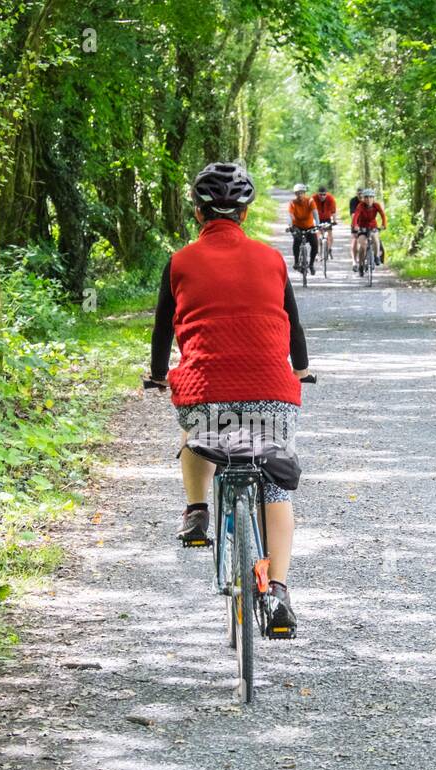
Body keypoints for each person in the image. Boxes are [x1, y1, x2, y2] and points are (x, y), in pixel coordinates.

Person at [148, 162, 311, 637]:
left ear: (198, 213)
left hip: (205, 396)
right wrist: (300, 370)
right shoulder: (271, 259)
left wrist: (158, 376)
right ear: (245, 213)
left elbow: (162, 331)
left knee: (194, 429)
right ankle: (277, 591)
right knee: (275, 487)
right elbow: (293, 327)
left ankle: (197, 510)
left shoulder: (180, 262)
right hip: (273, 395)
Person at [351, 188, 387, 274]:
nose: (368, 199)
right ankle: (361, 264)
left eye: (371, 197)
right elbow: (355, 216)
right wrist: (355, 225)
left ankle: (376, 257)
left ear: (373, 198)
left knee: (375, 238)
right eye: (366, 197)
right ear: (363, 198)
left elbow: (383, 215)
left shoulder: (376, 205)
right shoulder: (360, 206)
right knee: (363, 245)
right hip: (362, 227)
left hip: (373, 226)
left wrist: (383, 224)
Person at [286, 183, 320, 271]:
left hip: (310, 227)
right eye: (297, 193)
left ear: (304, 193)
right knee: (296, 242)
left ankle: (311, 264)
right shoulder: (292, 203)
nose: (300, 195)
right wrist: (290, 226)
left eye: (301, 193)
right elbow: (289, 215)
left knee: (315, 244)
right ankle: (296, 262)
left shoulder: (310, 201)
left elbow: (315, 213)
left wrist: (317, 225)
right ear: (295, 194)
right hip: (297, 227)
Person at [312, 186, 337, 259]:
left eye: (324, 194)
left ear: (326, 194)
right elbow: (310, 210)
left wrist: (334, 220)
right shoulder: (313, 198)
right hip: (317, 218)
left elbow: (333, 211)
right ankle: (317, 253)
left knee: (329, 234)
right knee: (317, 235)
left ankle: (329, 250)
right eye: (320, 194)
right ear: (318, 194)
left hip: (327, 218)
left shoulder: (330, 198)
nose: (322, 196)